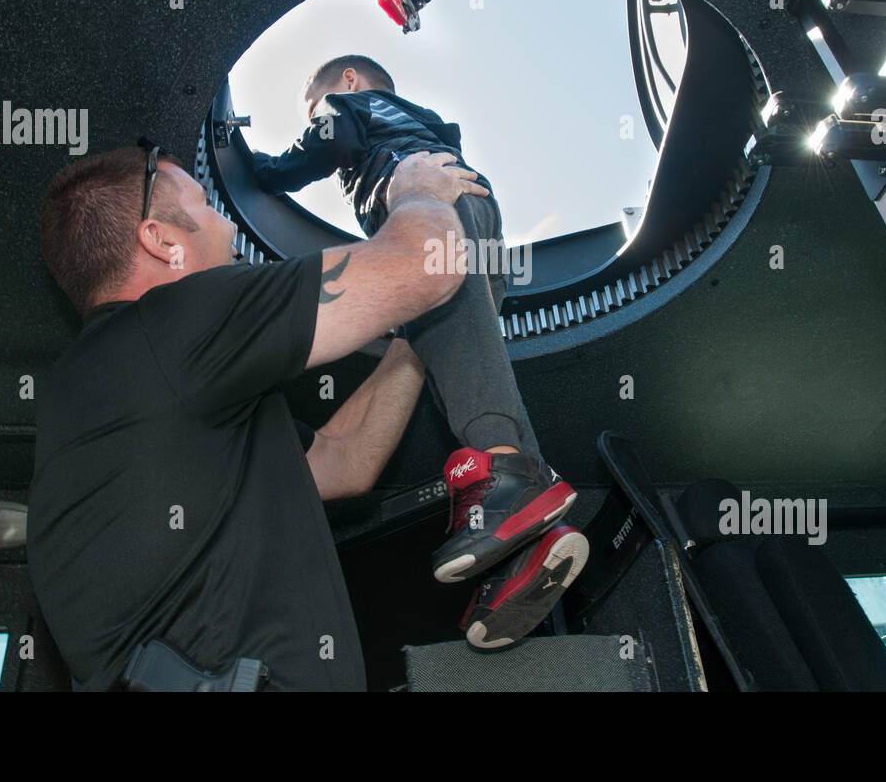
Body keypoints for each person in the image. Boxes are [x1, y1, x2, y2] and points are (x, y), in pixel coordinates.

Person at [29, 143, 479, 689]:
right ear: (163, 240)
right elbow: (429, 265)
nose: (225, 223)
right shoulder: (172, 323)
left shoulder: (133, 387)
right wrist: (414, 189)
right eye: (204, 203)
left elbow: (347, 461)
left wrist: (417, 342)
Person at [241, 55, 588, 647]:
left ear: (347, 82)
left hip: (435, 208)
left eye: (314, 104)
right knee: (470, 360)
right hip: (480, 216)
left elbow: (327, 140)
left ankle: (503, 473)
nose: (317, 114)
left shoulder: (349, 106)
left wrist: (261, 169)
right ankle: (524, 549)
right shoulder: (422, 121)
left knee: (440, 317)